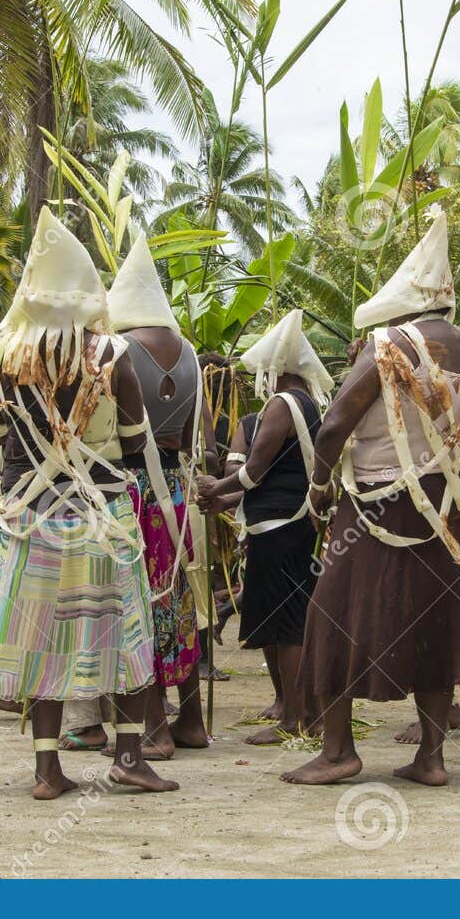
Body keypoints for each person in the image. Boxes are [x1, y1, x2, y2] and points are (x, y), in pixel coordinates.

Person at [0, 208, 176, 799]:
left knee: (40, 638)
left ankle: (46, 771)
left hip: (32, 515)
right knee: (123, 632)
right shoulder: (111, 356)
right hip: (101, 516)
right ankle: (131, 757)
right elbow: (137, 442)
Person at [289, 213, 460, 787]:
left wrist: (320, 487)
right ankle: (431, 756)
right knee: (433, 619)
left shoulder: (390, 344)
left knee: (330, 613)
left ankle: (337, 752)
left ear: (403, 305)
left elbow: (332, 427)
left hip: (377, 505)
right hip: (446, 507)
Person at [197, 309, 330, 745]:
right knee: (279, 622)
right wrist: (225, 495)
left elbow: (254, 470)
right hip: (286, 525)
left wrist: (217, 487)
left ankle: (295, 720)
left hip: (279, 527)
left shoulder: (283, 404)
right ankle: (301, 711)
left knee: (288, 624)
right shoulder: (308, 403)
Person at [105, 233, 211, 756]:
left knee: (139, 602)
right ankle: (190, 719)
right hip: (177, 488)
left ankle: (152, 730)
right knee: (179, 598)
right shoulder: (189, 352)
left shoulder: (118, 350)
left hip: (132, 490)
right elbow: (196, 434)